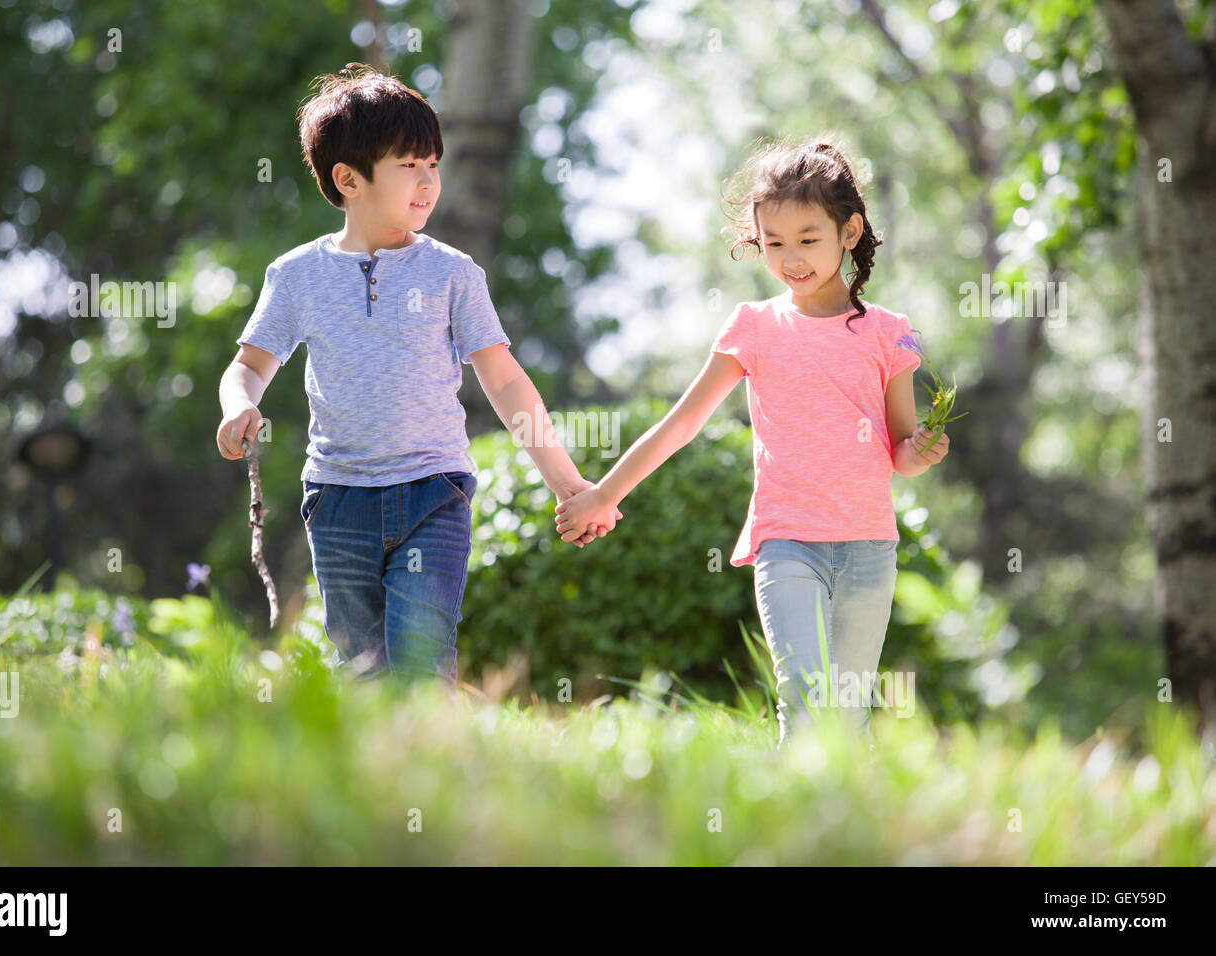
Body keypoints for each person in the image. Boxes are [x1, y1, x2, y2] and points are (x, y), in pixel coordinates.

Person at [216, 63, 616, 689]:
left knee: (423, 663)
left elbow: (506, 381)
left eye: (433, 163)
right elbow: (248, 367)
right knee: (363, 673)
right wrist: (238, 405)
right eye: (408, 165)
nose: (428, 181)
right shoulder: (295, 276)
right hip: (337, 498)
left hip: (435, 494)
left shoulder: (454, 274)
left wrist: (567, 483)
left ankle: (438, 782)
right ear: (348, 179)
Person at [555, 137, 950, 747]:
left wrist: (919, 454)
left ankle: (847, 834)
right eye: (774, 243)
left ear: (850, 232)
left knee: (848, 717)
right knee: (805, 697)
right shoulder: (754, 328)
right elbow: (682, 423)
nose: (791, 258)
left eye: (808, 239)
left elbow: (899, 452)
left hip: (869, 548)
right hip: (786, 541)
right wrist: (604, 494)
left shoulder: (889, 334)